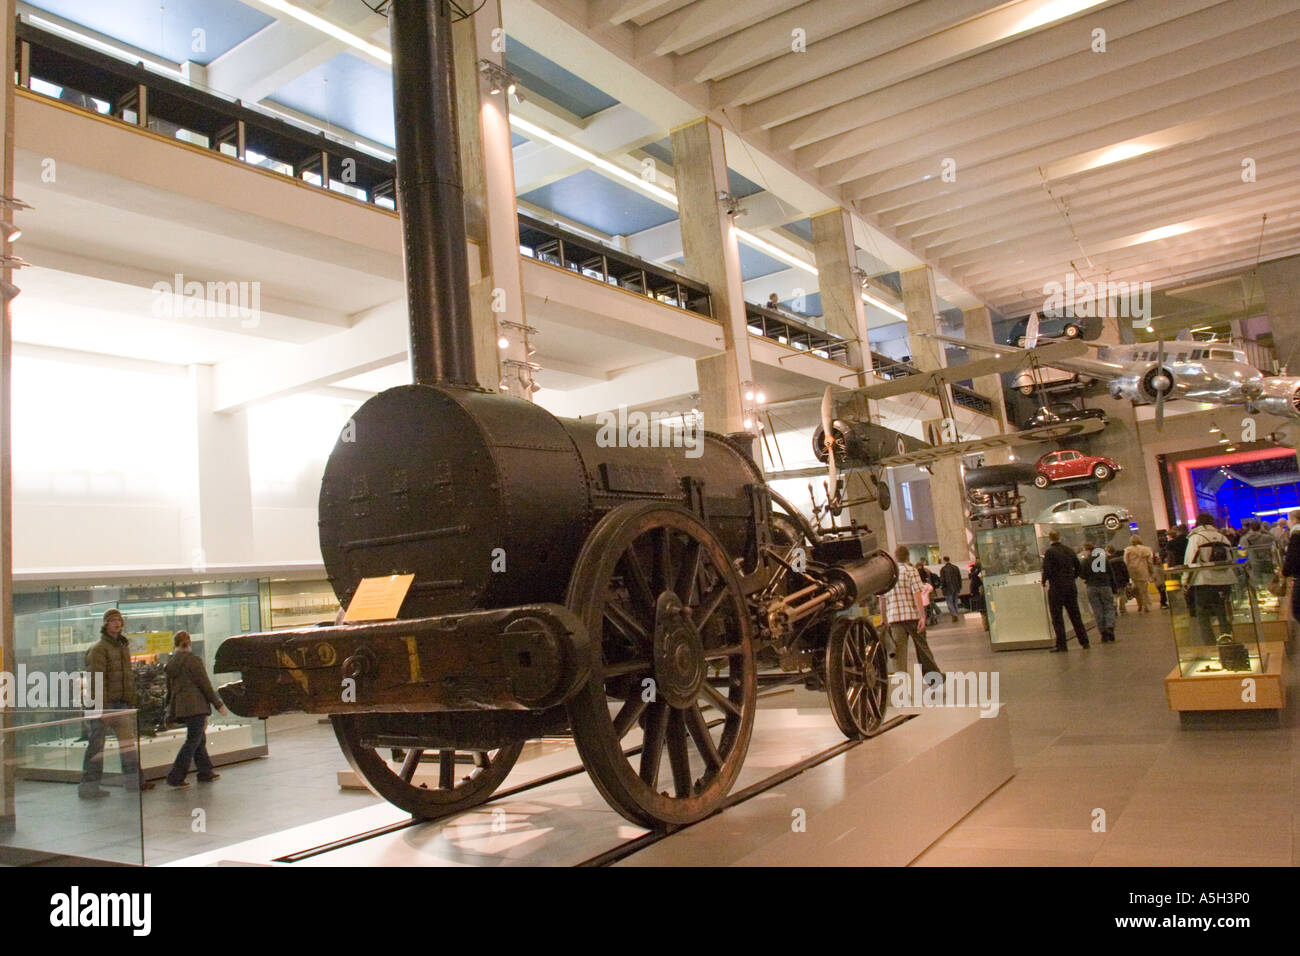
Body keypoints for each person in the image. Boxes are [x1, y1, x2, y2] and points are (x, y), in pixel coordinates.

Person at [79, 609, 152, 798]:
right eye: (113, 621)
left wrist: (130, 700)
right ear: (106, 624)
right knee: (97, 745)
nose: (117, 624)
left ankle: (134, 781)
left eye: (119, 620)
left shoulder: (122, 647)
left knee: (127, 745)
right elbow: (96, 680)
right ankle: (89, 786)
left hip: (120, 704)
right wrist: (100, 708)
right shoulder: (99, 649)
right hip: (105, 705)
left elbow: (127, 678)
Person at [163, 631, 228, 788]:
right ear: (189, 643)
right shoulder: (194, 661)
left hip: (182, 707)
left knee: (199, 738)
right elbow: (204, 685)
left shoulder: (171, 663)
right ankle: (175, 777)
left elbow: (169, 690)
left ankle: (205, 772)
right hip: (196, 706)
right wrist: (218, 704)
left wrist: (169, 710)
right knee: (193, 740)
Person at [881, 546, 942, 681]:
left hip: (895, 619)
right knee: (922, 649)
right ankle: (934, 679)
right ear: (908, 556)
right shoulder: (911, 571)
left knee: (899, 653)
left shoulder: (888, 574)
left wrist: (884, 618)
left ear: (894, 557)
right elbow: (917, 594)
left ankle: (902, 686)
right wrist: (922, 616)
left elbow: (882, 598)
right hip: (913, 617)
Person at [1184, 512, 1236, 644]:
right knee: (1223, 613)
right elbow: (1231, 559)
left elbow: (1190, 561)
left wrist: (1185, 581)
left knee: (1203, 615)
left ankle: (1210, 645)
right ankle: (1227, 641)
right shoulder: (1222, 537)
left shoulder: (1196, 538)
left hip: (1204, 581)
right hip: (1225, 580)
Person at [1041, 530, 1090, 651]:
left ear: (1050, 538)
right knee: (1075, 615)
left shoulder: (1050, 552)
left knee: (1057, 617)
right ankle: (1084, 641)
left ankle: (1062, 644)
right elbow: (1078, 567)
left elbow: (1047, 569)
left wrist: (1044, 580)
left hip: (1056, 587)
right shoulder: (1069, 550)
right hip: (1070, 586)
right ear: (1059, 537)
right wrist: (1072, 577)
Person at [1081, 540, 1117, 642]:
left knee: (1097, 610)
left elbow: (1082, 575)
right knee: (1109, 607)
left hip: (1092, 587)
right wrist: (1114, 587)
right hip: (1105, 586)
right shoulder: (1103, 559)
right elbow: (1111, 573)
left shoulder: (1086, 561)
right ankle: (1110, 627)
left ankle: (1103, 633)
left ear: (1087, 550)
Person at [1124, 534, 1157, 613]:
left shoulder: (1128, 550)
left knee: (1136, 589)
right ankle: (1147, 605)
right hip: (1143, 571)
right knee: (1144, 589)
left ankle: (1140, 604)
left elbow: (1126, 561)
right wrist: (1151, 572)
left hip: (1133, 571)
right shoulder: (1146, 549)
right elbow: (1150, 562)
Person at [1282, 510, 1300, 627]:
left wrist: (1285, 572)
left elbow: (1292, 557)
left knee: (1297, 611)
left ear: (1294, 520)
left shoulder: (1296, 534)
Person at [1107, 546, 1131, 617]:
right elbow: (1125, 571)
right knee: (1122, 595)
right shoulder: (1120, 560)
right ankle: (1122, 609)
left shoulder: (1107, 561)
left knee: (1114, 596)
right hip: (1121, 580)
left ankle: (1114, 610)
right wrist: (1127, 580)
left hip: (1112, 581)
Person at [939, 556, 963, 623]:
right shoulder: (955, 567)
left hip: (948, 588)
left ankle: (954, 614)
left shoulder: (943, 569)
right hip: (956, 587)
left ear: (944, 560)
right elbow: (959, 577)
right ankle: (955, 614)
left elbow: (942, 580)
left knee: (949, 602)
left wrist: (942, 587)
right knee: (955, 601)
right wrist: (960, 586)